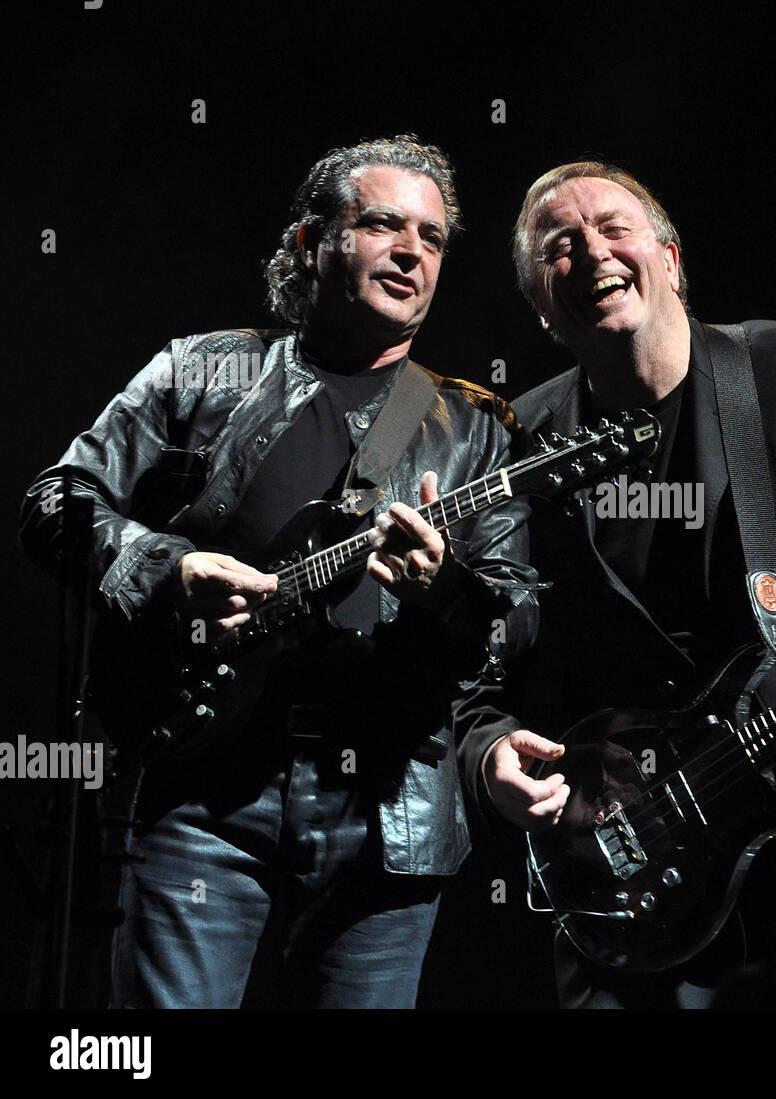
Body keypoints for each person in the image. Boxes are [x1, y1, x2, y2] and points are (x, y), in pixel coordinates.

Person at [19, 135, 537, 1008]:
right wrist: (169, 568)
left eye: (433, 237)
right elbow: (55, 499)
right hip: (204, 793)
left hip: (389, 814)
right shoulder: (201, 370)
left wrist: (444, 588)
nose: (411, 250)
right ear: (309, 243)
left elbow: (516, 617)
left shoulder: (478, 427)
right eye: (381, 224)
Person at [477, 161, 776, 1007]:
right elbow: (489, 653)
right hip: (638, 884)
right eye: (560, 246)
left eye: (613, 225)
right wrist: (488, 751)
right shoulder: (517, 442)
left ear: (671, 259)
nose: (591, 249)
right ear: (541, 308)